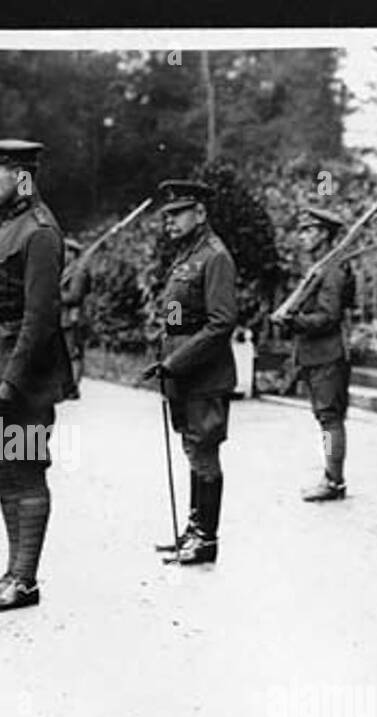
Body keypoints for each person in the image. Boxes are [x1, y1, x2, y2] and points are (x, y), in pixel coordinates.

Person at [0, 137, 73, 611]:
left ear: (20, 174)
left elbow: (40, 318)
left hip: (24, 380)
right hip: (2, 371)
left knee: (25, 471)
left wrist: (11, 383)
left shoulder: (40, 232)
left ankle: (25, 580)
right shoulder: (14, 226)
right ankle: (13, 571)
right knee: (2, 466)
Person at [142, 179, 238, 566]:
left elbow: (221, 323)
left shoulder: (215, 257)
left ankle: (205, 538)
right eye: (167, 215)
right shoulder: (186, 257)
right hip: (181, 372)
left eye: (177, 213)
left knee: (204, 452)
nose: (170, 221)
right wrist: (164, 341)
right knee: (191, 449)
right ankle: (193, 530)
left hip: (203, 374)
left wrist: (175, 360)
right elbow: (179, 315)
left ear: (200, 213)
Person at [273, 207, 355, 502]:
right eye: (302, 230)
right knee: (326, 419)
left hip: (328, 354)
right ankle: (333, 477)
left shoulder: (332, 270)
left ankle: (334, 480)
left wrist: (292, 322)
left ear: (323, 234)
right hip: (316, 354)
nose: (303, 236)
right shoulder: (319, 267)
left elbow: (328, 317)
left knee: (330, 421)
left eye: (309, 231)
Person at [60, 237, 89, 398]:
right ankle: (64, 385)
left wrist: (53, 295)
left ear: (72, 253)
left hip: (73, 318)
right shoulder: (63, 270)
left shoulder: (78, 272)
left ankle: (73, 387)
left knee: (74, 354)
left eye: (65, 250)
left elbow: (75, 296)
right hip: (61, 318)